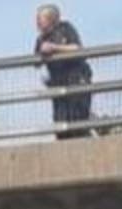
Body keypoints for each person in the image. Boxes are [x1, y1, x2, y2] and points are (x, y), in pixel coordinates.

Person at [34, 5, 93, 140]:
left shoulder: (66, 28)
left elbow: (77, 48)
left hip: (77, 80)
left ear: (50, 18)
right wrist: (41, 53)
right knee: (60, 123)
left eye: (39, 19)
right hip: (58, 85)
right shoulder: (41, 39)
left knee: (78, 120)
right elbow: (36, 63)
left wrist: (54, 48)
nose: (37, 23)